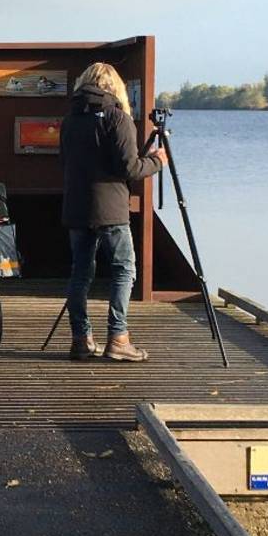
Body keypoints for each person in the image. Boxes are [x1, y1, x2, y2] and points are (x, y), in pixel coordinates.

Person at [59, 62, 168, 362]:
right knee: (124, 268)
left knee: (80, 273)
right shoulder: (117, 118)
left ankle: (81, 339)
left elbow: (64, 162)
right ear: (114, 87)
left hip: (77, 207)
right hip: (110, 210)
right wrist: (157, 161)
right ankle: (118, 338)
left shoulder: (70, 119)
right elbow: (130, 168)